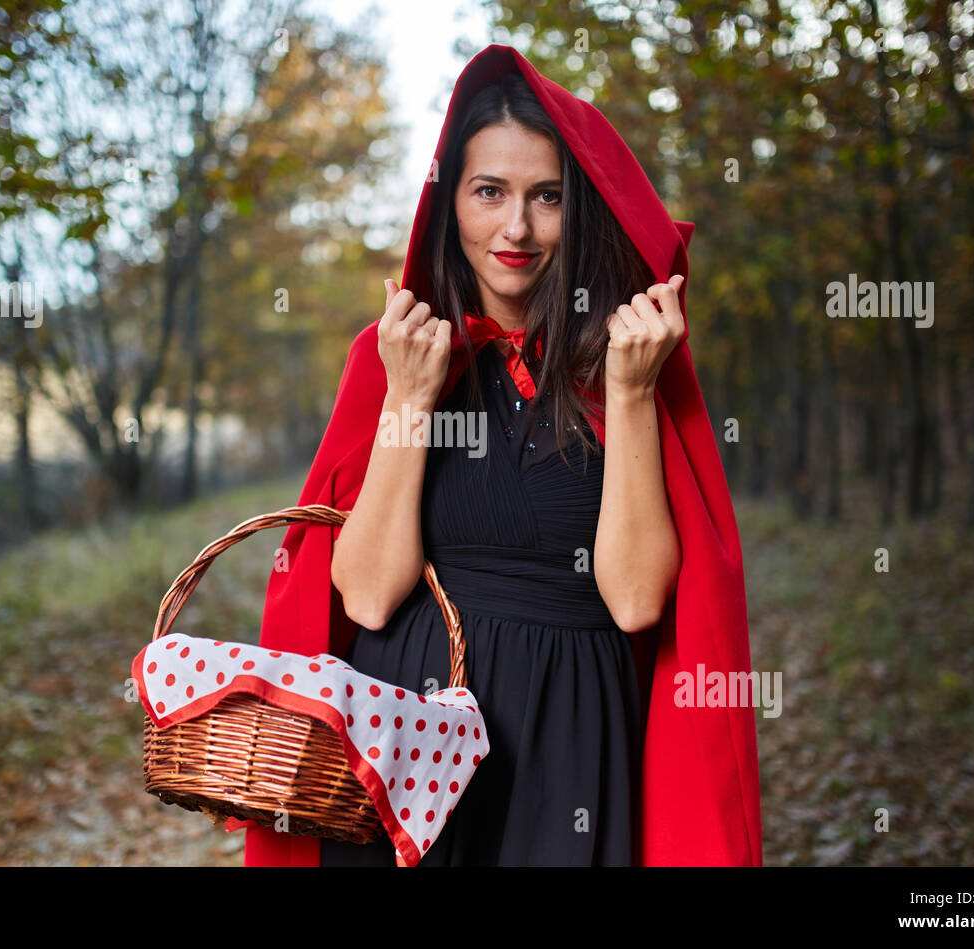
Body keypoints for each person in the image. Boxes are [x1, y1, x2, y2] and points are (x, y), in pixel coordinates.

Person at [231, 44, 763, 867]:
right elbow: (368, 596)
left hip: (569, 743)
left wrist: (628, 395)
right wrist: (408, 399)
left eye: (547, 197)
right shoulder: (393, 354)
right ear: (451, 208)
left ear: (577, 211)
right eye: (490, 193)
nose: (516, 228)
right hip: (404, 746)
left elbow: (633, 602)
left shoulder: (623, 363)